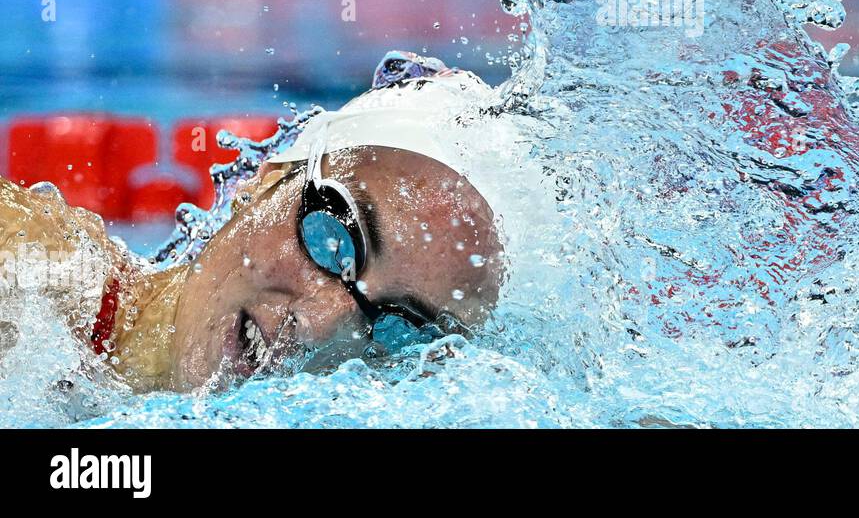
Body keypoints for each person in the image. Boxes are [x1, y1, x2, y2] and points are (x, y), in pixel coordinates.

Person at [0, 55, 548, 392]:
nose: (323, 323)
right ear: (261, 184)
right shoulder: (31, 285)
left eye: (398, 327)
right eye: (336, 241)